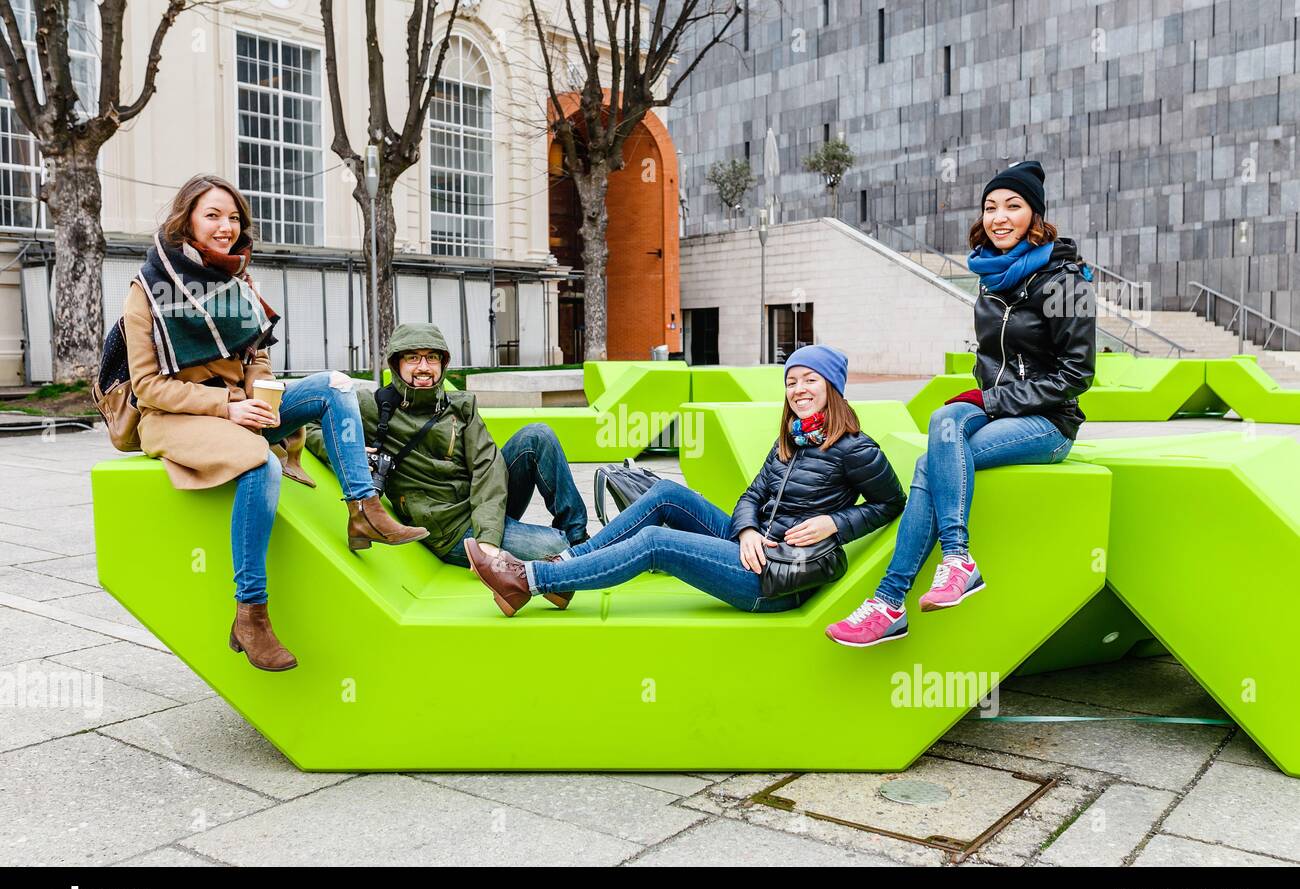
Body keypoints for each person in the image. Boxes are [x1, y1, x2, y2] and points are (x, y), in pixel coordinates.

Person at [123, 174, 428, 673]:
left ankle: (363, 509)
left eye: (233, 217)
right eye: (212, 216)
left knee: (335, 386)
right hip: (176, 416)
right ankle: (251, 614)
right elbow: (148, 389)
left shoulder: (239, 282)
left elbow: (256, 357)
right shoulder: (147, 292)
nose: (226, 227)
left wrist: (261, 392)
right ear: (186, 221)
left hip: (241, 407)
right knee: (259, 462)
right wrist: (227, 407)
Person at [826, 160, 1096, 648]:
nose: (999, 216)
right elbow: (991, 359)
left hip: (1048, 422)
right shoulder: (991, 280)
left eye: (1013, 206)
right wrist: (984, 398)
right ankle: (951, 567)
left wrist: (993, 400)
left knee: (934, 461)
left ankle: (897, 597)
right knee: (945, 417)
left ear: (1035, 216)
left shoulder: (1066, 282)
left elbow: (1077, 375)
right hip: (999, 406)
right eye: (991, 207)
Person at [463, 345, 908, 615]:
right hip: (753, 549)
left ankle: (530, 579)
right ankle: (566, 569)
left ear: (833, 386)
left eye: (810, 379)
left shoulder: (855, 447)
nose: (798, 390)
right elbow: (753, 494)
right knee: (666, 494)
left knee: (658, 542)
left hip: (779, 580)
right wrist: (748, 529)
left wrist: (835, 523)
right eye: (791, 382)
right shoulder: (790, 440)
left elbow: (892, 502)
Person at [305, 323, 589, 577]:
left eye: (432, 357)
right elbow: (312, 424)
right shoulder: (375, 407)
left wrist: (488, 539)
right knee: (556, 547)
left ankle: (580, 538)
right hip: (449, 528)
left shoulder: (460, 406)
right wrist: (355, 456)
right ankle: (575, 549)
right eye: (412, 358)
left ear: (443, 363)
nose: (423, 367)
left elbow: (487, 467)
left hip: (482, 508)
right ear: (396, 363)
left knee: (538, 435)